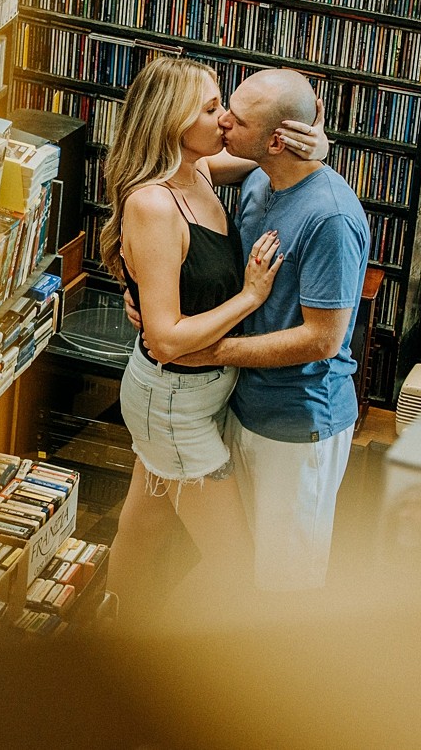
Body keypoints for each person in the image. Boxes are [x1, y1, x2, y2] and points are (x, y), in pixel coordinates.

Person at [99, 59, 326, 624]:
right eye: (209, 110)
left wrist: (317, 139)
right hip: (175, 406)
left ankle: (111, 626)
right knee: (234, 564)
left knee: (141, 527)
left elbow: (270, 151)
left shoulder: (200, 170)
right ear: (173, 122)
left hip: (189, 399)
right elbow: (167, 339)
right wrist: (250, 297)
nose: (224, 118)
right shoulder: (153, 203)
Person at [132, 68, 369, 593]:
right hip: (241, 406)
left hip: (298, 422)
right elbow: (177, 199)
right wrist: (150, 296)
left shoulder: (329, 218)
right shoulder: (259, 176)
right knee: (234, 561)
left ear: (275, 139)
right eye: (220, 110)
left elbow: (322, 339)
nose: (222, 123)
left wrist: (213, 351)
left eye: (233, 119)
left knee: (285, 584)